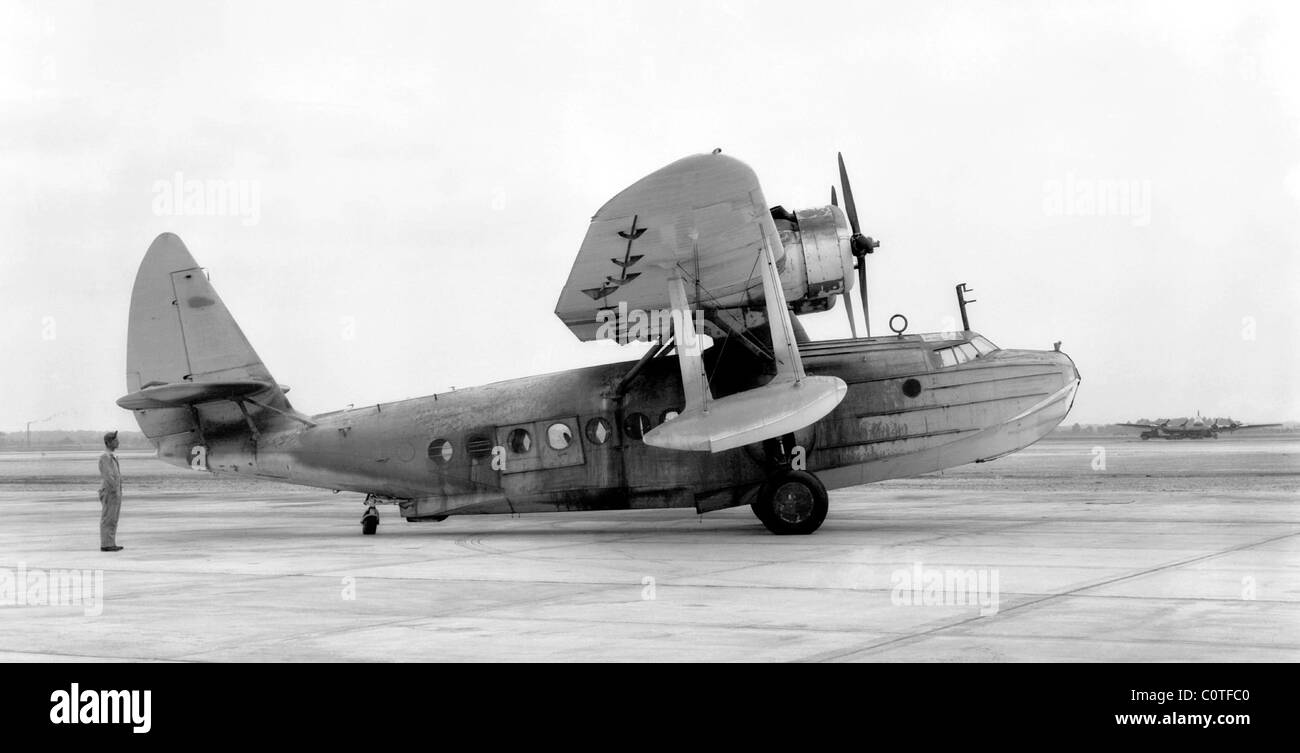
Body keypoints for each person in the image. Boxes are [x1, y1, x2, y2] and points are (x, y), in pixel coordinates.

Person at [98, 430, 124, 552]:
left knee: (113, 518)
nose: (117, 442)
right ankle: (106, 544)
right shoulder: (105, 457)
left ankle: (110, 542)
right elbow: (108, 476)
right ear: (108, 442)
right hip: (110, 492)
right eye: (115, 440)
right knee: (108, 518)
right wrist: (114, 490)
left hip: (114, 492)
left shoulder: (111, 456)